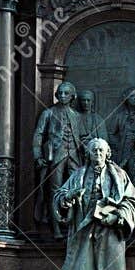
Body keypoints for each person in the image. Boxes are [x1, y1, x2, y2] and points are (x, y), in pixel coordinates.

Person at [54, 138, 135, 270]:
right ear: (88, 154)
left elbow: (131, 202)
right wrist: (68, 197)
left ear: (108, 153)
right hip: (84, 228)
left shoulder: (119, 175)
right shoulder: (78, 175)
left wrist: (117, 217)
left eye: (101, 151)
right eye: (94, 151)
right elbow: (59, 195)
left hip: (110, 229)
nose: (98, 154)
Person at [32, 81, 85, 235]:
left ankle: (74, 226)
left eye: (66, 93)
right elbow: (38, 134)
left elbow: (79, 137)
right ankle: (55, 228)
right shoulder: (48, 113)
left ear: (72, 96)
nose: (62, 96)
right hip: (55, 157)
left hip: (74, 156)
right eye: (60, 93)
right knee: (54, 191)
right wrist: (38, 156)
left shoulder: (76, 116)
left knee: (77, 189)